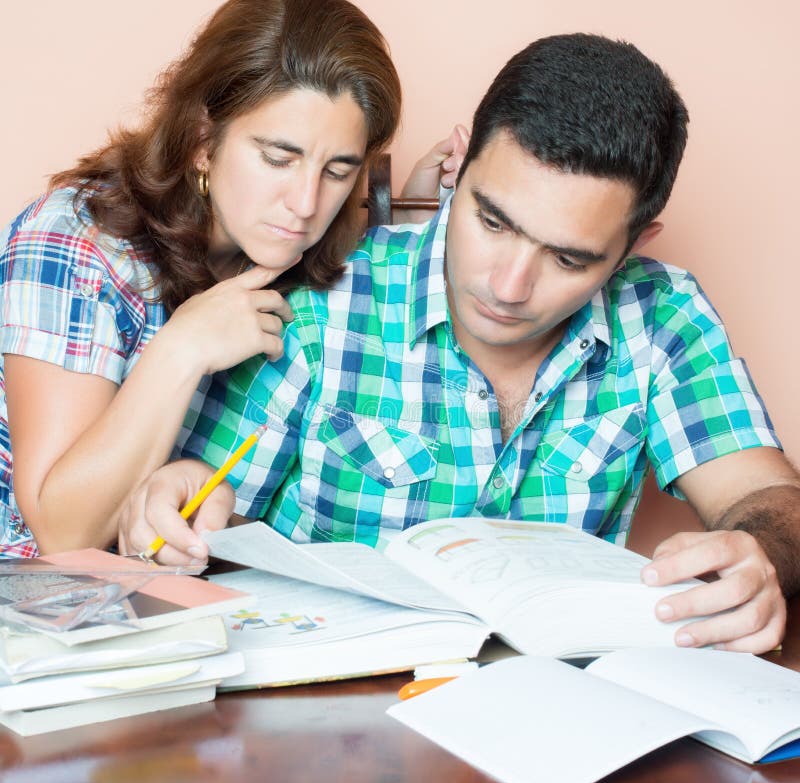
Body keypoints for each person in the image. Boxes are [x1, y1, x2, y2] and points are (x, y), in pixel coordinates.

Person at [118, 34, 800, 654]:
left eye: (569, 260)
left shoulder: (662, 314)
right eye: (493, 220)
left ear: (632, 246)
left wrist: (758, 555)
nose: (507, 286)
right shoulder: (319, 300)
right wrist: (181, 509)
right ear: (462, 161)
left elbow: (771, 498)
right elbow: (209, 520)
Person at [0, 0, 407, 557]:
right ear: (201, 140)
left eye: (338, 170)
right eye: (278, 159)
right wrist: (182, 347)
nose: (307, 203)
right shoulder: (75, 240)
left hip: (176, 595)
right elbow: (59, 533)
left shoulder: (297, 263)